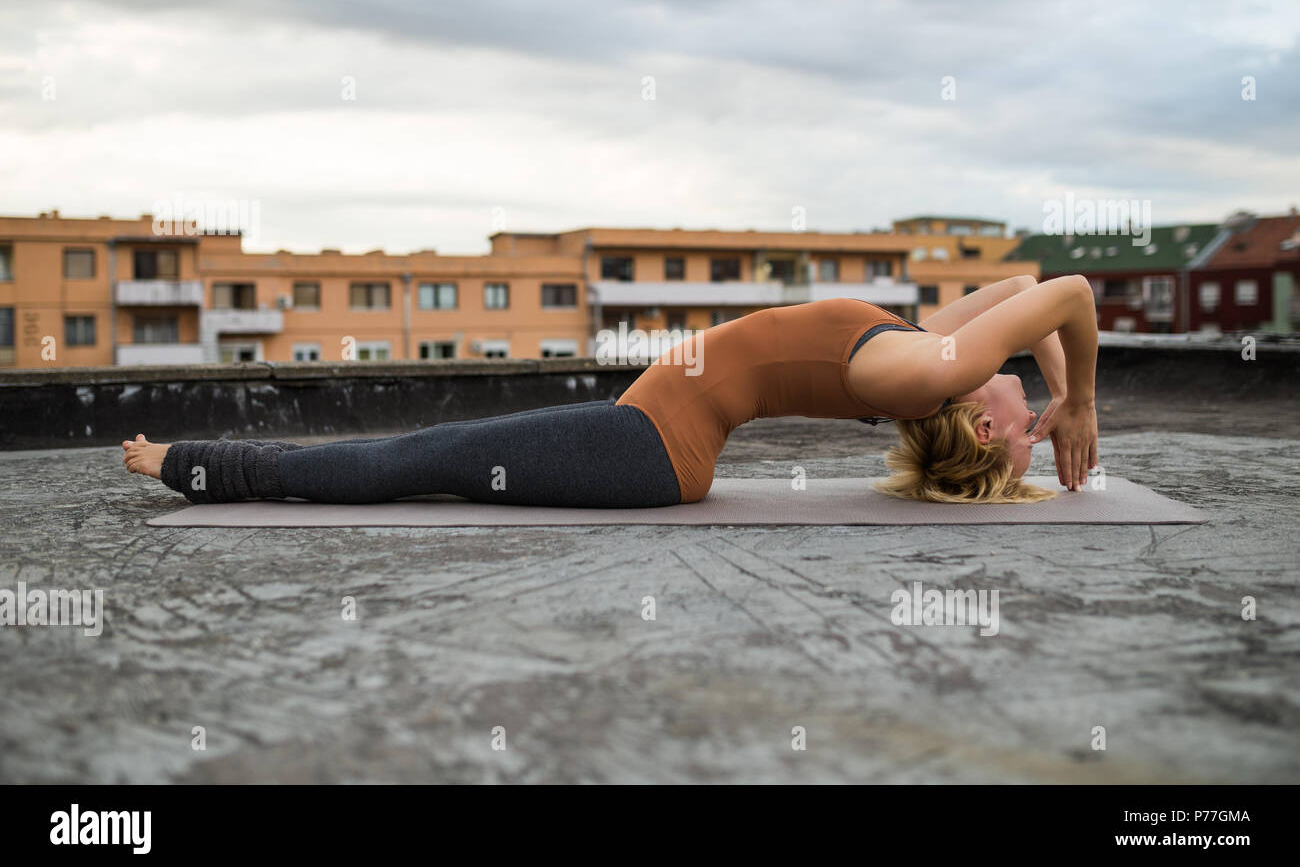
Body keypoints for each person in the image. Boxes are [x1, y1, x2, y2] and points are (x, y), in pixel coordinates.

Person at [123, 274, 1098, 506]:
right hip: (652, 428)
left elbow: (1073, 295)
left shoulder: (927, 366)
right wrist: (1068, 398)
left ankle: (199, 464)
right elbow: (1035, 292)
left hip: (650, 448)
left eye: (1021, 435)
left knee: (421, 456)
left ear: (977, 412)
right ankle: (207, 460)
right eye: (1033, 432)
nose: (1033, 422)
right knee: (430, 450)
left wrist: (1079, 403)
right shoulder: (926, 351)